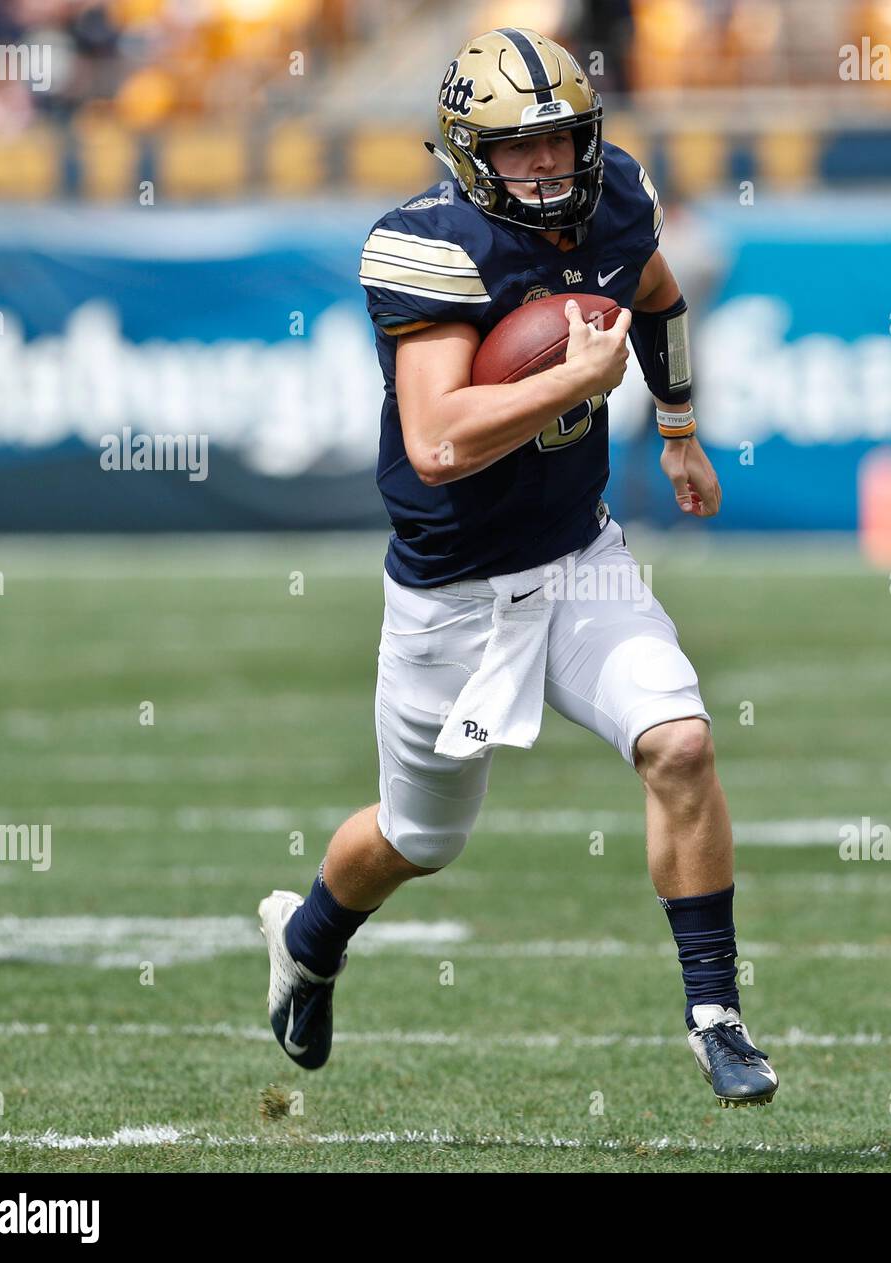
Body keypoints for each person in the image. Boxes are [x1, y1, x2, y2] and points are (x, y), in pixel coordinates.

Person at [258, 28, 777, 1108]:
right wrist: (571, 381)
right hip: (450, 597)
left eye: (561, 140)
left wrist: (677, 429)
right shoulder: (429, 244)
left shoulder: (617, 197)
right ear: (464, 148)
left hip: (576, 556)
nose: (547, 164)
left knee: (679, 743)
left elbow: (660, 297)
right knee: (415, 837)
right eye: (520, 147)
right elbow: (441, 439)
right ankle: (307, 943)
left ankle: (716, 1014)